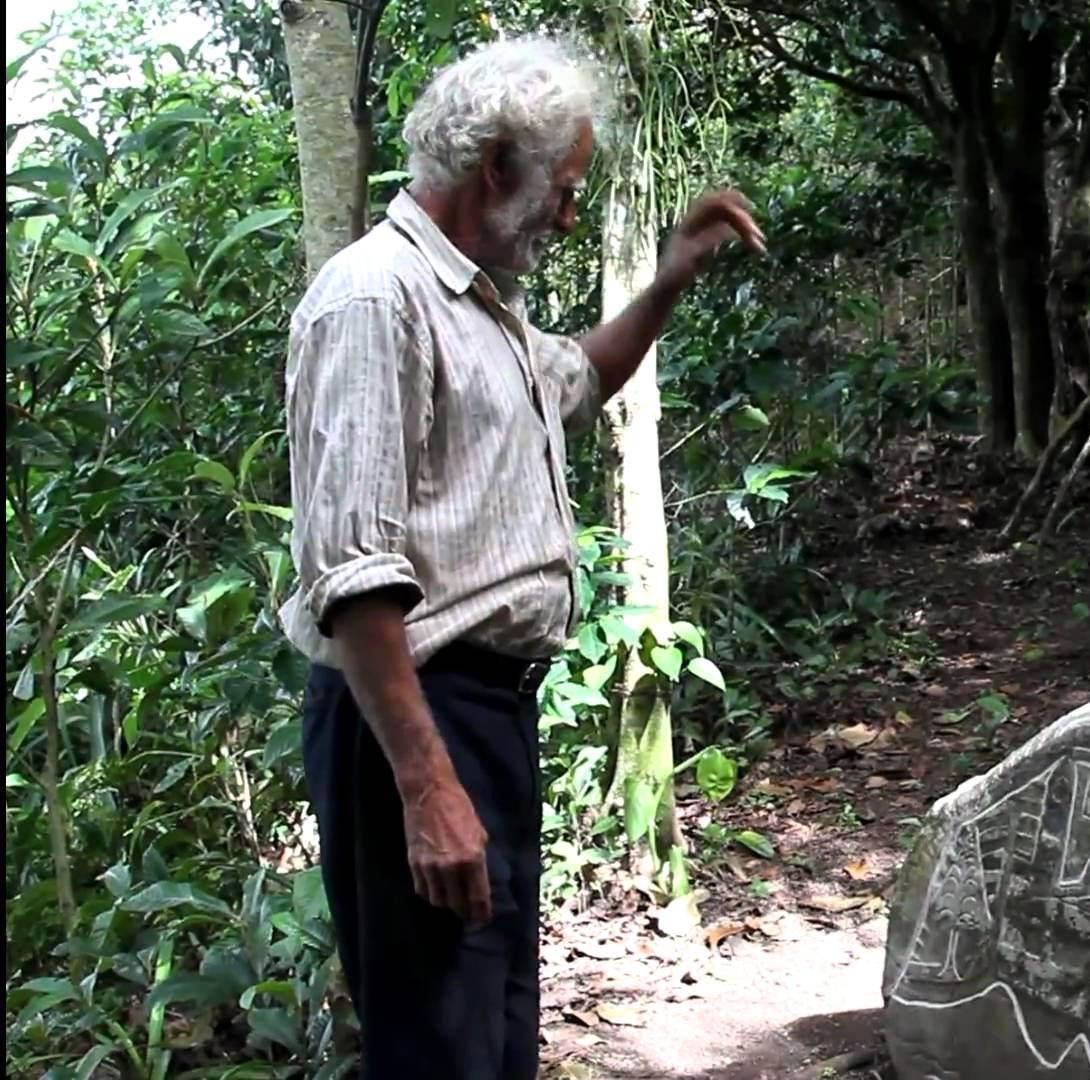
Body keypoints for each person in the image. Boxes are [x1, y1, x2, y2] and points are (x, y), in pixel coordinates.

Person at [277, 35, 763, 1078]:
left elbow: (576, 379)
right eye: (565, 189)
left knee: (491, 1030)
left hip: (480, 714)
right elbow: (352, 575)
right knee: (439, 1043)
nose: (569, 215)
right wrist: (427, 786)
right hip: (410, 715)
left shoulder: (482, 306)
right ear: (497, 166)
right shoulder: (376, 299)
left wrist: (670, 279)